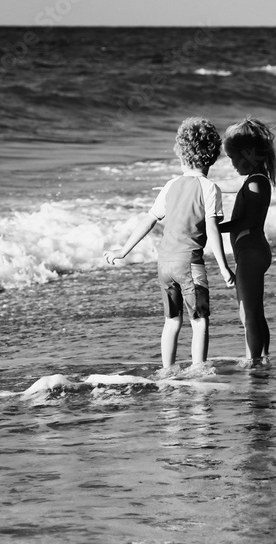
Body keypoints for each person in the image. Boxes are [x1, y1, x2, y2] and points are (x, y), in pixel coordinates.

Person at [104, 117, 234, 369]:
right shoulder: (209, 188)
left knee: (172, 320)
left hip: (164, 264)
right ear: (213, 156)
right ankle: (198, 371)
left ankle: (167, 371)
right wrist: (224, 266)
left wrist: (123, 251)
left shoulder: (171, 185)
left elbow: (148, 221)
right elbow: (212, 228)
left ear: (181, 155)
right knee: (200, 320)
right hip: (189, 265)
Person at [219, 117, 276, 366]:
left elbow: (247, 221)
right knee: (255, 312)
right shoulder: (255, 179)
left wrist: (213, 228)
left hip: (251, 251)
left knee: (248, 314)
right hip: (251, 250)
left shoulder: (256, 182)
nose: (232, 164)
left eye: (233, 158)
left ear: (248, 154)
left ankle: (253, 362)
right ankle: (263, 358)